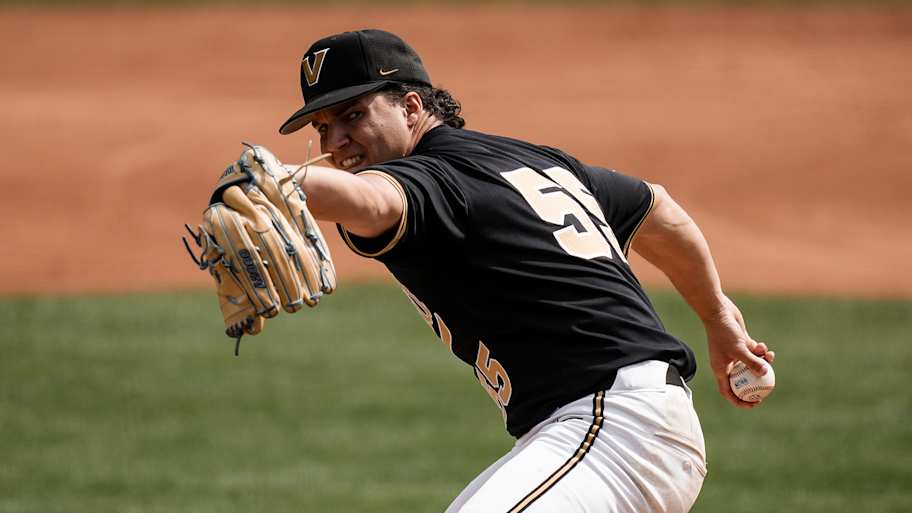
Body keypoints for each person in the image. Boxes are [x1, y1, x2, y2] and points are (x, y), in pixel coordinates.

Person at [276, 29, 775, 513]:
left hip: (616, 428)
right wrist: (717, 316)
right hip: (600, 431)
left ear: (410, 107)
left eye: (353, 115)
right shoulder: (530, 160)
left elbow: (374, 199)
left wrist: (282, 185)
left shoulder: (433, 180)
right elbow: (657, 210)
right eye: (323, 127)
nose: (335, 141)